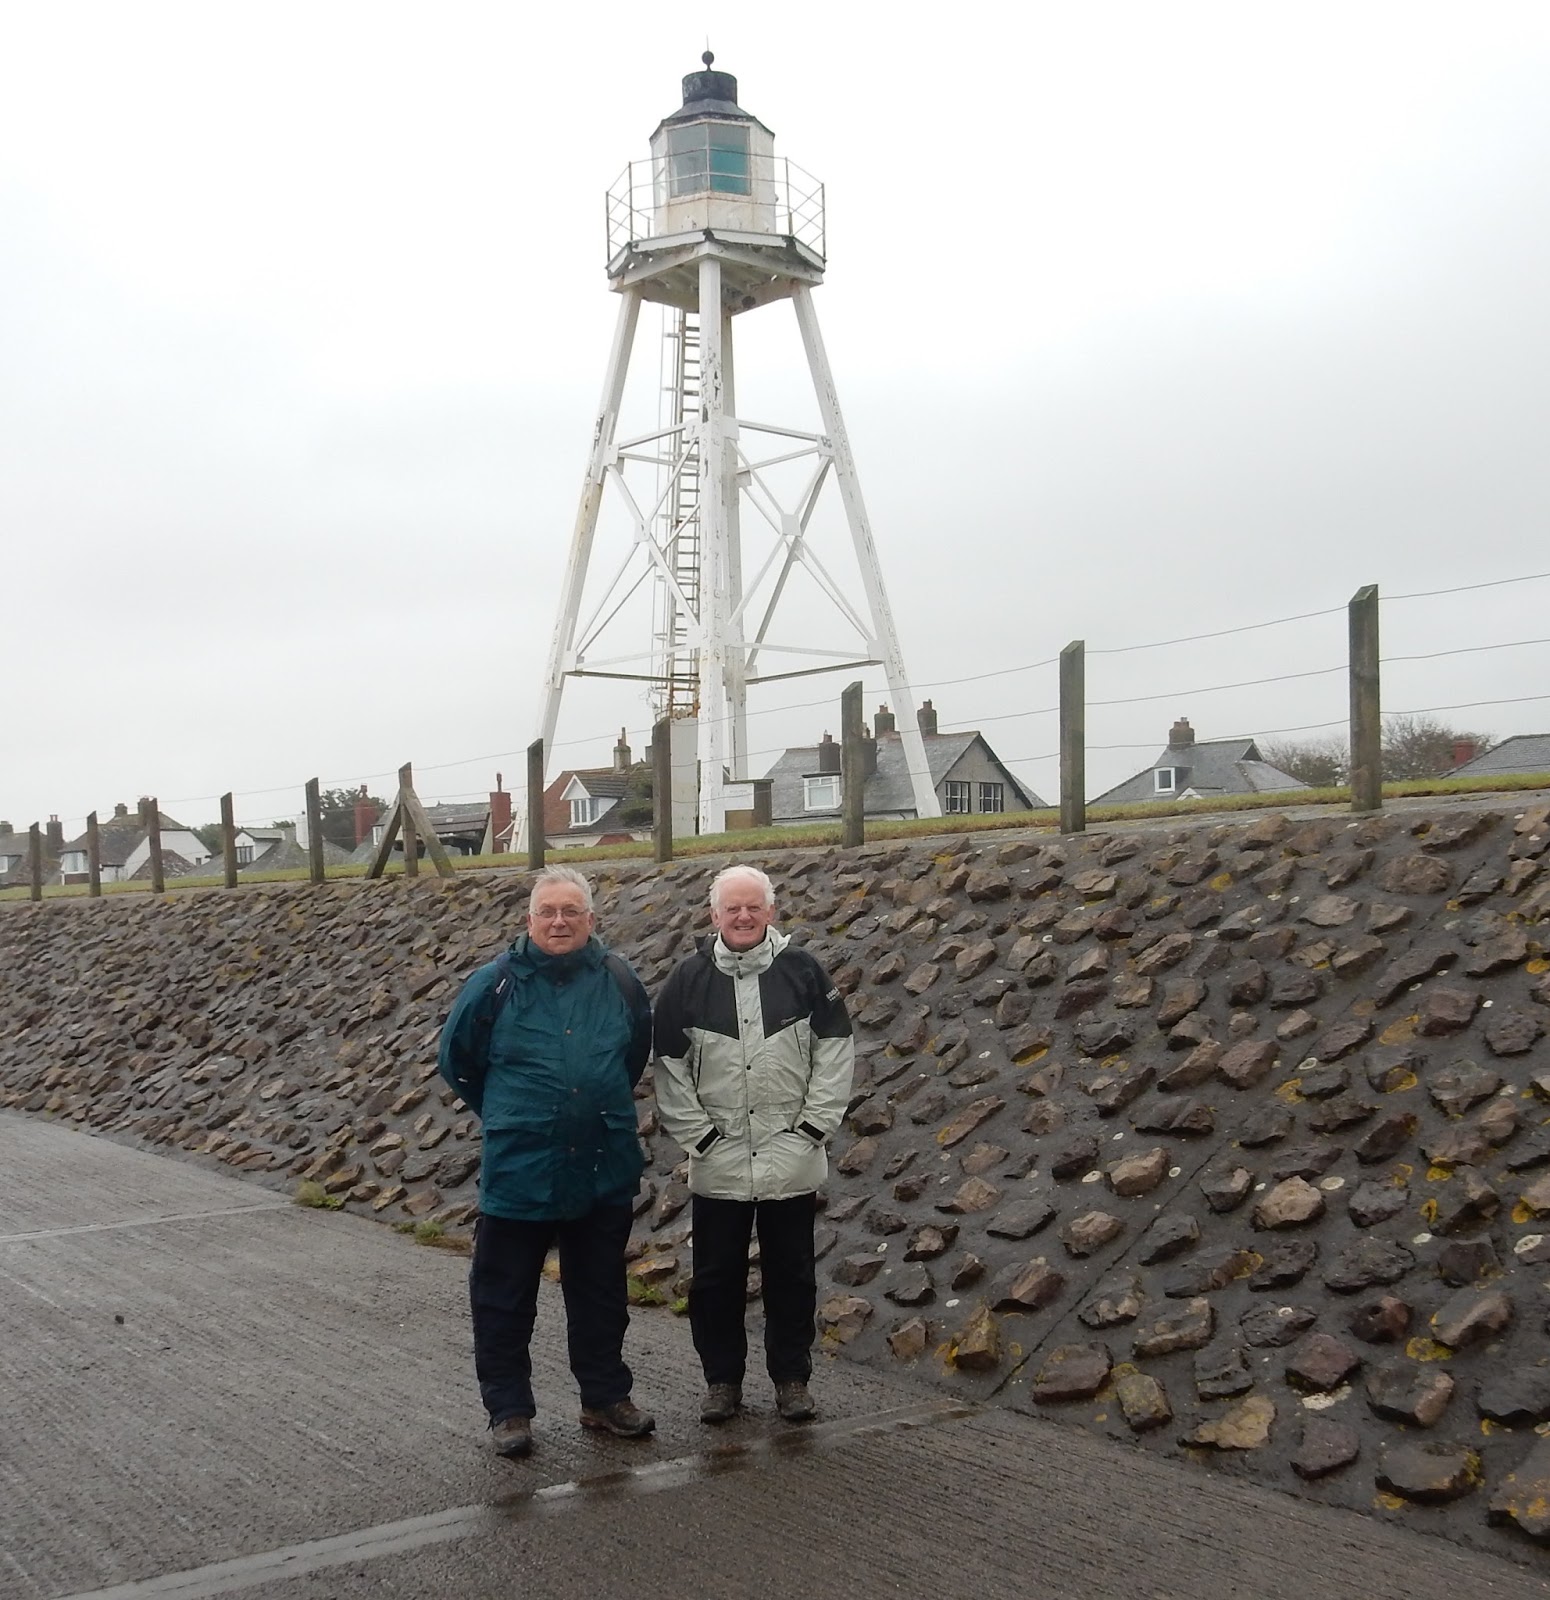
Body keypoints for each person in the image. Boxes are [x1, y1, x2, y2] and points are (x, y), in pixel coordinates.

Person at [438, 864, 654, 1458]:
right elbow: (457, 1062)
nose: (559, 922)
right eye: (548, 912)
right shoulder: (495, 983)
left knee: (602, 1293)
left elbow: (634, 1054)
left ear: (591, 919)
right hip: (520, 1166)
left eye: (571, 912)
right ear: (529, 920)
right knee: (504, 1296)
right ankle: (509, 1411)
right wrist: (511, 1112)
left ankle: (605, 1398)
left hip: (600, 1164)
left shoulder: (618, 979)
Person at [653, 863, 855, 1424]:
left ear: (771, 911)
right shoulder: (687, 981)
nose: (743, 916)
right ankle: (722, 1382)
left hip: (790, 1160)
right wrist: (703, 1139)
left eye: (753, 906)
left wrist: (813, 1130)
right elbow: (669, 1072)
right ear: (713, 915)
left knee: (792, 1276)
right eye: (732, 908)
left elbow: (835, 1056)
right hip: (718, 1163)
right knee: (715, 1280)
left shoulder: (805, 973)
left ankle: (792, 1379)